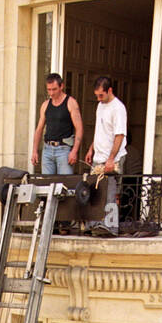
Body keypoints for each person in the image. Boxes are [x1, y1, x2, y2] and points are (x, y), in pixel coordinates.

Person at [85, 76, 127, 236]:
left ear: (109, 90)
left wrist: (111, 159)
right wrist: (91, 149)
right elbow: (99, 131)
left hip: (112, 159)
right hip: (98, 157)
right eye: (96, 96)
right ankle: (94, 225)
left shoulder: (118, 108)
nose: (98, 98)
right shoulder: (100, 106)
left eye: (101, 95)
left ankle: (109, 228)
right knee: (94, 192)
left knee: (110, 193)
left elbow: (119, 135)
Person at [31, 73, 83, 175]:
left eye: (54, 89)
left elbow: (79, 128)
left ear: (61, 86)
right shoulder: (45, 105)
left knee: (64, 185)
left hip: (64, 149)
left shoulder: (71, 103)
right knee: (46, 185)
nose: (51, 93)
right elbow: (39, 129)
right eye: (49, 89)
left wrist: (74, 151)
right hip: (47, 149)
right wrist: (34, 151)